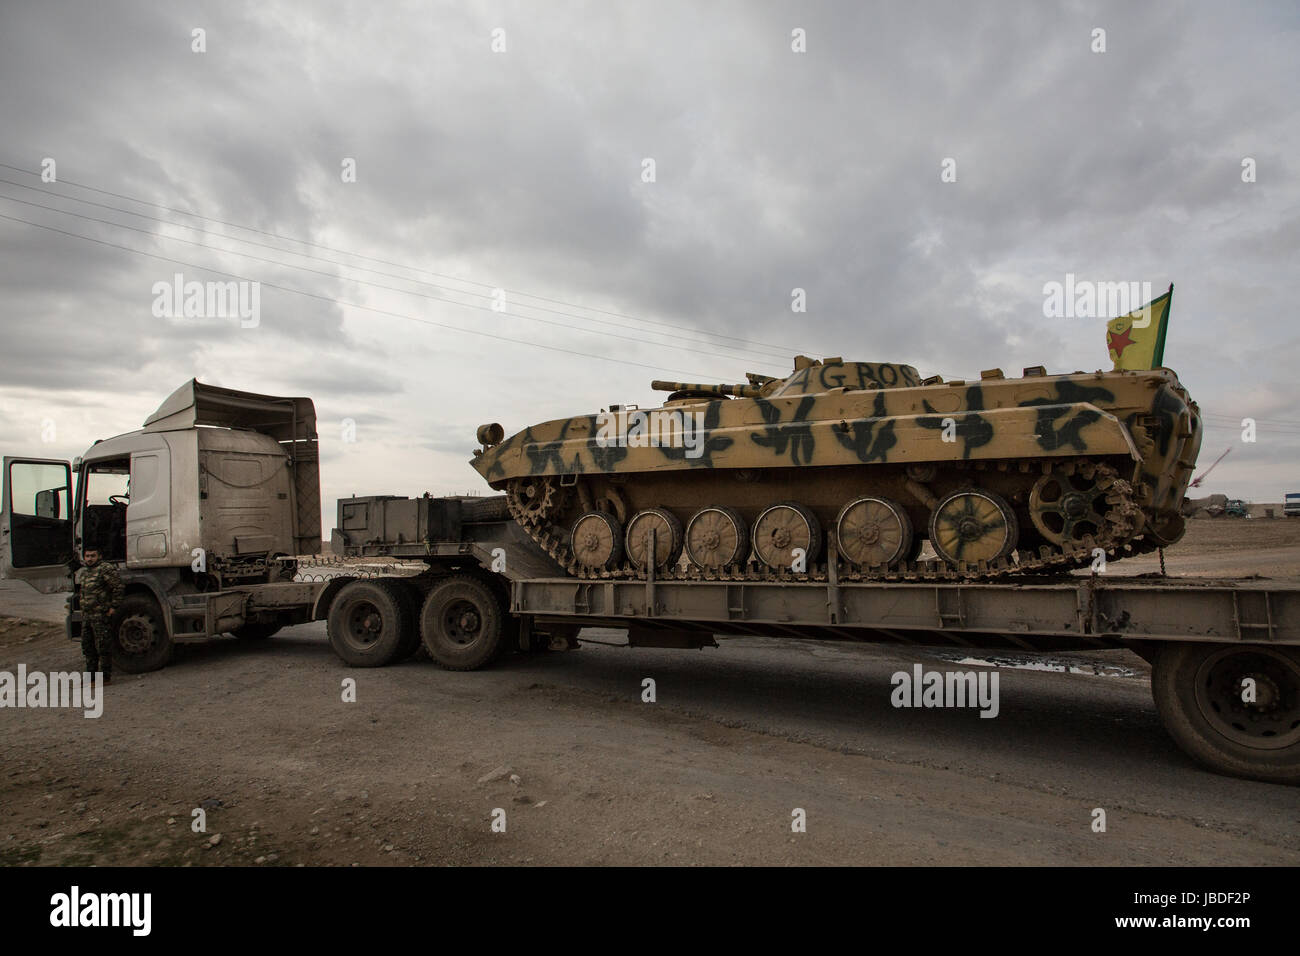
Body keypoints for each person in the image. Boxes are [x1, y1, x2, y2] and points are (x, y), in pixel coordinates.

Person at [76, 548, 123, 684]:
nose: (90, 558)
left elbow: (118, 587)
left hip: (100, 615)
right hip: (87, 616)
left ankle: (105, 677)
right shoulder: (84, 572)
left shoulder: (105, 569)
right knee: (88, 647)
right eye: (87, 556)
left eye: (93, 556)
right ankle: (91, 678)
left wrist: (114, 607)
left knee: (103, 646)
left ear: (99, 556)